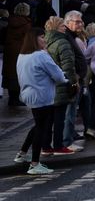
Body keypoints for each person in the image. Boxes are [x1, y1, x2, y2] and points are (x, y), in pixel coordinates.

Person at [14, 27, 68, 175]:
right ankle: (34, 164)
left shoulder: (22, 56)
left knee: (39, 125)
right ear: (34, 39)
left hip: (29, 95)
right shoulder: (41, 56)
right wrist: (66, 79)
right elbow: (58, 76)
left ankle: (22, 154)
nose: (45, 40)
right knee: (41, 129)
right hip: (43, 96)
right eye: (42, 37)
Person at [44, 16, 78, 155]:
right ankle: (58, 146)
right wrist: (73, 83)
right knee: (59, 118)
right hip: (61, 84)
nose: (65, 28)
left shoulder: (44, 41)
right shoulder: (62, 42)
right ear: (57, 27)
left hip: (47, 85)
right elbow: (68, 66)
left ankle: (46, 147)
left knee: (48, 119)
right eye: (63, 26)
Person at [62, 11, 89, 152]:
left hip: (76, 79)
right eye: (77, 22)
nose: (81, 24)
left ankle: (67, 140)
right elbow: (68, 62)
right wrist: (75, 80)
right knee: (69, 113)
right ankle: (67, 142)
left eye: (81, 21)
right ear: (68, 22)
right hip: (72, 81)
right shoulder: (67, 38)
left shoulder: (71, 36)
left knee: (71, 112)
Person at [3, 3, 32, 106]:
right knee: (19, 73)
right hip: (20, 50)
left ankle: (12, 98)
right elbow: (28, 39)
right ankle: (16, 99)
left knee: (10, 73)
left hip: (9, 50)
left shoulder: (9, 21)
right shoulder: (26, 23)